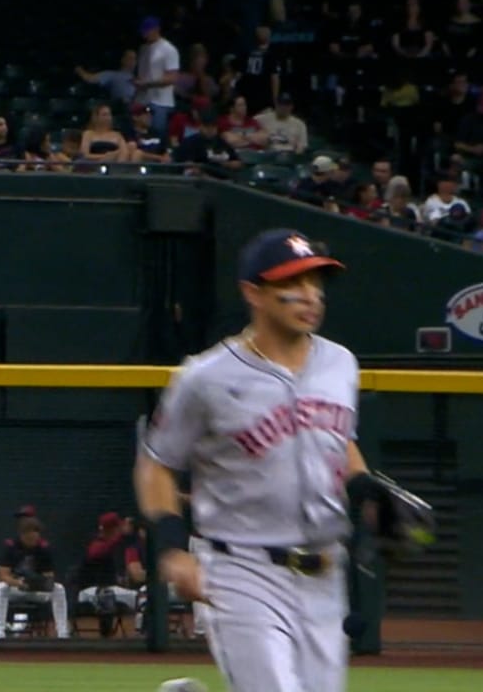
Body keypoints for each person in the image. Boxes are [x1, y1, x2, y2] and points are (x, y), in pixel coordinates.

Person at [135, 229, 370, 692]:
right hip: (243, 569)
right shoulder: (206, 377)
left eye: (316, 283)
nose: (310, 296)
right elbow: (156, 464)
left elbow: (340, 443)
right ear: (253, 293)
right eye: (294, 283)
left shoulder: (341, 364)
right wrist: (172, 546)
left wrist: (366, 491)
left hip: (326, 572)